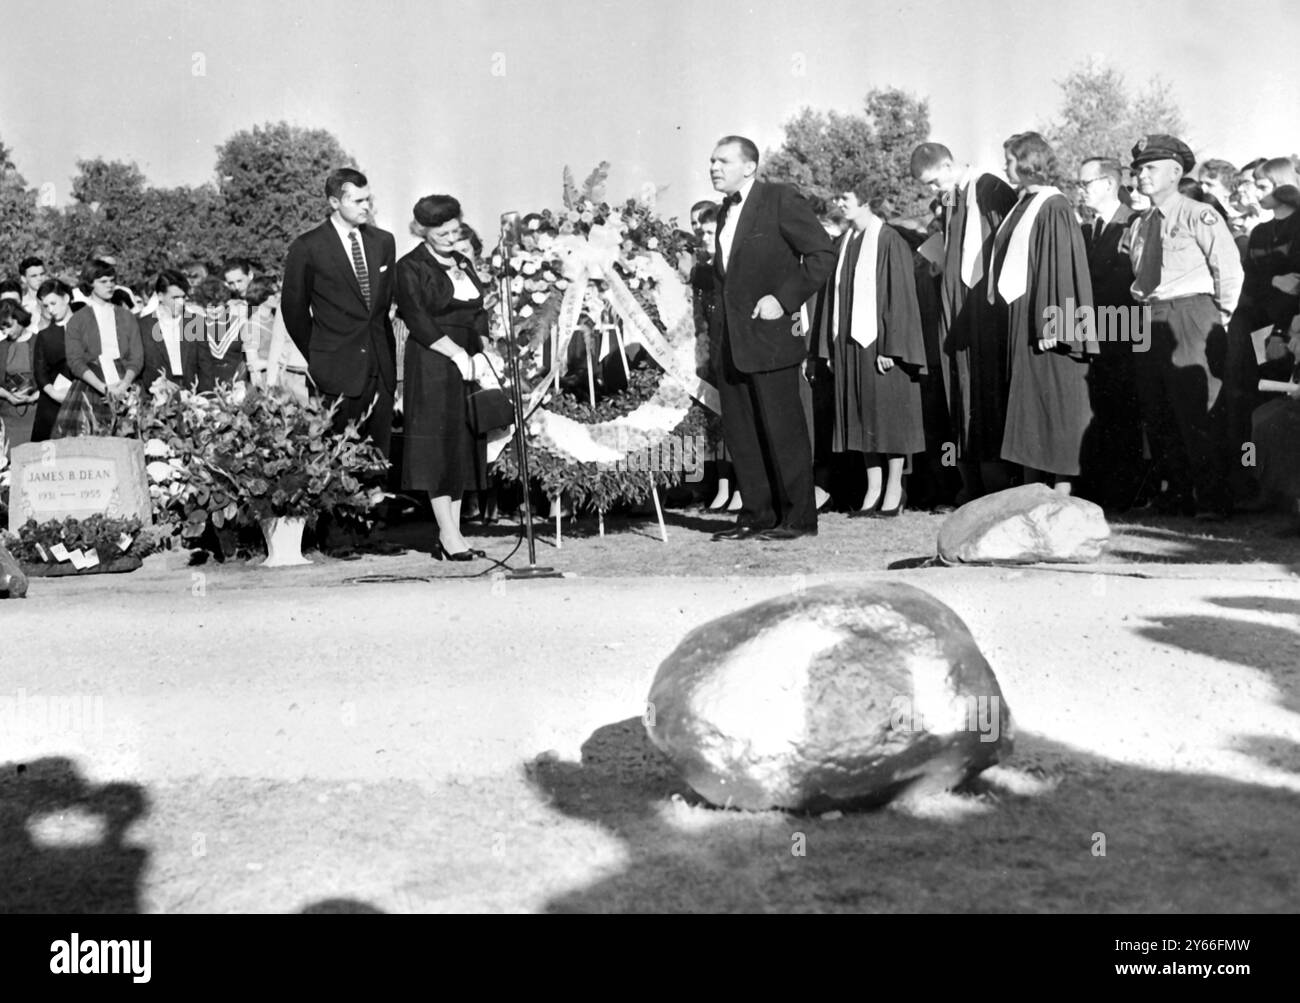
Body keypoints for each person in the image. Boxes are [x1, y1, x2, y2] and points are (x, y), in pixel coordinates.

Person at [708, 135, 836, 541]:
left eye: (723, 161)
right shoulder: (722, 213)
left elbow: (822, 255)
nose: (714, 167)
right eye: (712, 161)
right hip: (732, 343)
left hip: (770, 338)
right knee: (743, 435)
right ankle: (757, 515)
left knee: (784, 431)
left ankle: (798, 519)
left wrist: (784, 300)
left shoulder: (778, 199)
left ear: (749, 167)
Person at [1128, 133, 1244, 519]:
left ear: (1176, 172)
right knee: (1157, 409)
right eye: (1139, 169)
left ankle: (1212, 498)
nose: (1141, 176)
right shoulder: (1142, 224)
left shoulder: (1199, 214)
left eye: (1149, 168)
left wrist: (1217, 319)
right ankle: (1176, 494)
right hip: (1151, 316)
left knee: (1197, 408)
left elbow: (1228, 270)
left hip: (1191, 313)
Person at [988, 132, 1098, 493]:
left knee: (1053, 401)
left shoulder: (1054, 206)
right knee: (1030, 405)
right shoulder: (1025, 203)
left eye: (1009, 159)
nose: (1005, 166)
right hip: (1022, 316)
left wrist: (1057, 322)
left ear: (1027, 161)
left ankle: (1060, 490)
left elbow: (1061, 267)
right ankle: (1032, 489)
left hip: (1046, 322)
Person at [909, 141, 1018, 502]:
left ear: (947, 165)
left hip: (983, 307)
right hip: (954, 308)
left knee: (985, 393)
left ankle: (996, 484)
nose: (932, 191)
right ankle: (968, 483)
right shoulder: (952, 199)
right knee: (958, 392)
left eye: (932, 182)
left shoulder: (990, 188)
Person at [811, 182, 927, 517]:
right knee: (862, 418)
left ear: (865, 202)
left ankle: (895, 488)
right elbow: (832, 299)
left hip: (881, 346)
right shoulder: (845, 241)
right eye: (838, 197)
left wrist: (892, 346)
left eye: (844, 197)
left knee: (889, 420)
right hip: (849, 347)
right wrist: (829, 348)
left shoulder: (889, 239)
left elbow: (900, 296)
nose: (839, 202)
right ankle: (873, 489)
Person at [395, 194, 494, 561]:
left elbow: (477, 310)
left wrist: (482, 349)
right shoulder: (411, 267)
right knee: (437, 448)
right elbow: (417, 319)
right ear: (423, 231)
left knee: (459, 446)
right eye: (442, 234)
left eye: (455, 231)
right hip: (433, 362)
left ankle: (453, 534)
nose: (451, 240)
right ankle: (449, 535)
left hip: (466, 362)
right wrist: (455, 353)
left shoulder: (463, 263)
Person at [281, 167, 398, 461]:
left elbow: (381, 310)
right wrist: (320, 356)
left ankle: (379, 509)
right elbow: (293, 310)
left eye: (368, 199)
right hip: (334, 375)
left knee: (378, 462)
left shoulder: (383, 242)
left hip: (380, 370)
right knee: (337, 464)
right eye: (357, 201)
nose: (366, 207)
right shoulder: (308, 247)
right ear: (334, 202)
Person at [1077, 156, 1144, 509]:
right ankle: (1100, 488)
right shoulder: (1087, 230)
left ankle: (1125, 492)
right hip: (1096, 334)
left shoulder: (1133, 223)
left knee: (1124, 414)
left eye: (1085, 184)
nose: (1080, 191)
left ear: (1106, 184)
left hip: (1126, 333)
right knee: (1100, 410)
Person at [62, 259, 144, 434]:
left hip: (125, 384)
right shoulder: (77, 320)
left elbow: (137, 357)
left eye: (112, 281)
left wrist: (124, 386)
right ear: (90, 283)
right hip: (92, 386)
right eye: (103, 282)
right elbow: (75, 361)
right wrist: (104, 389)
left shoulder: (126, 316)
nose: (110, 286)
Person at [137, 269, 214, 391]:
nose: (181, 302)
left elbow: (205, 366)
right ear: (160, 296)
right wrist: (158, 385)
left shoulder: (196, 323)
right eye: (175, 297)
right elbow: (140, 366)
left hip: (191, 392)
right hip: (156, 395)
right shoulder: (143, 325)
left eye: (183, 297)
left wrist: (205, 397)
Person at [30, 280, 78, 442]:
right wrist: (54, 393)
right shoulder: (45, 335)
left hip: (85, 398)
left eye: (53, 303)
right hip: (54, 404)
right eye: (46, 306)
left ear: (66, 298)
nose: (50, 310)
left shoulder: (87, 326)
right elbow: (40, 371)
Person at [0, 300, 40, 450]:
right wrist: (8, 396)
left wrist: (35, 396)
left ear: (20, 318)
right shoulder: (1, 347)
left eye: (8, 326)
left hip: (37, 413)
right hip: (9, 415)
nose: (6, 332)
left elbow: (55, 379)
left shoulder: (40, 341)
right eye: (2, 328)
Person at [190, 276, 242, 385]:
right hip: (208, 383)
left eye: (217, 306)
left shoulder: (239, 320)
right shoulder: (198, 325)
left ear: (224, 302)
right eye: (209, 307)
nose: (214, 311)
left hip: (237, 380)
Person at [18, 257, 49, 334]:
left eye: (42, 274)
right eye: (34, 276)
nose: (39, 278)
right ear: (24, 279)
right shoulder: (20, 306)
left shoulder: (56, 301)